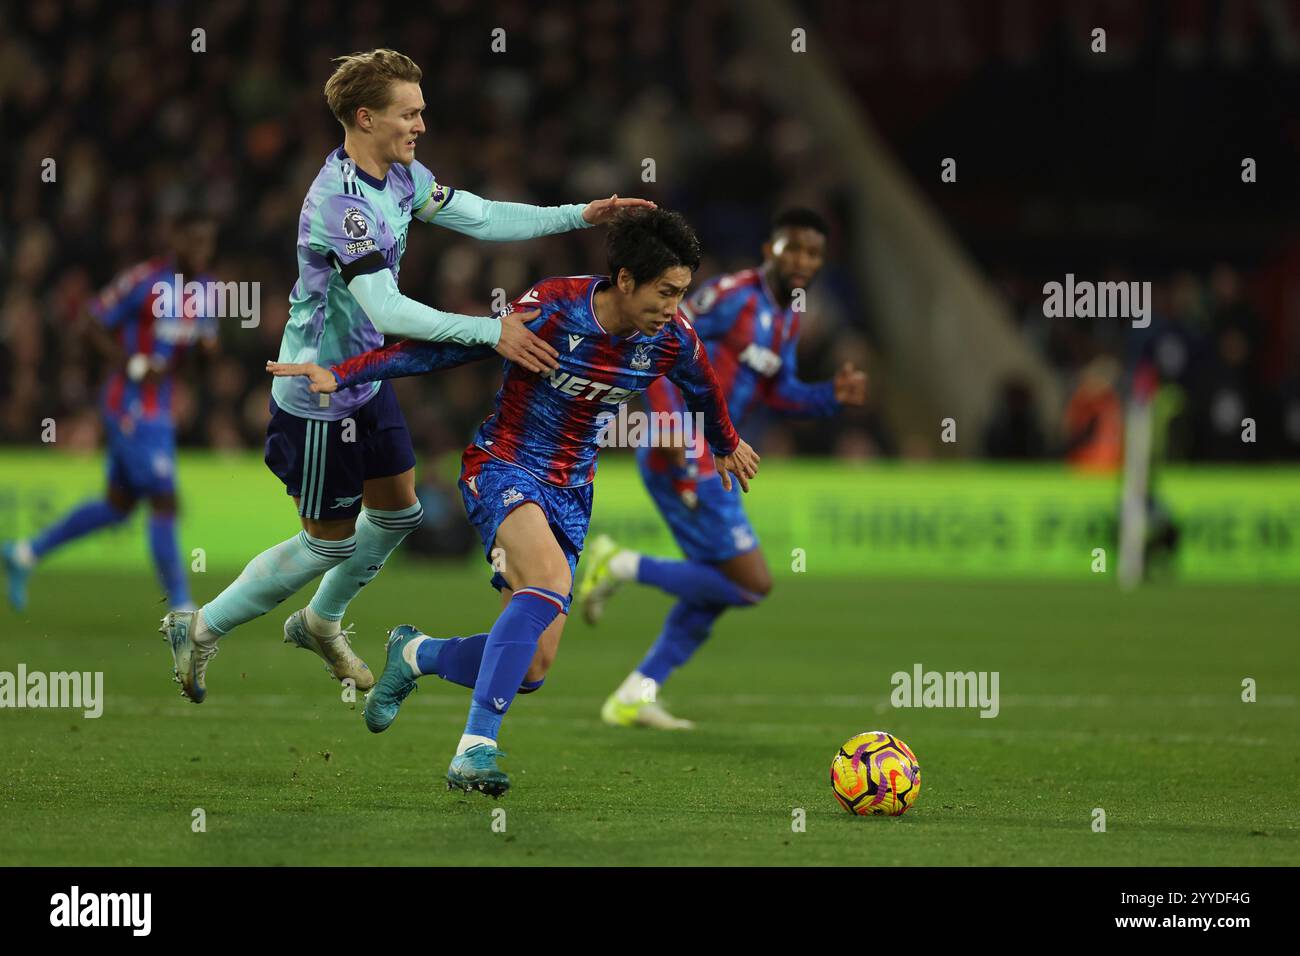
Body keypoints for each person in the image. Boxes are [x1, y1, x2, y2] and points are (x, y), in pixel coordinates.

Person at [160, 49, 652, 703]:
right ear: (366, 118)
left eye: (421, 111)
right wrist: (491, 330)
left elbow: (475, 214)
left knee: (398, 514)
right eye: (409, 113)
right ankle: (200, 626)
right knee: (327, 546)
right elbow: (385, 308)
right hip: (319, 395)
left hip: (366, 382)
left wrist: (576, 215)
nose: (421, 124)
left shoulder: (400, 177)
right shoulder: (341, 204)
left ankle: (319, 622)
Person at [268, 209, 760, 796]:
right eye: (666, 291)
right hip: (503, 467)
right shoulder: (553, 307)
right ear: (626, 279)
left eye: (682, 293)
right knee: (547, 580)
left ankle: (416, 653)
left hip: (571, 492)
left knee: (532, 668)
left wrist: (726, 445)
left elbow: (702, 387)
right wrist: (345, 374)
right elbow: (447, 352)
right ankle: (474, 750)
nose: (674, 306)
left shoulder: (672, 339)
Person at [577, 208, 868, 729]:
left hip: (718, 455)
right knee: (752, 583)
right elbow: (666, 345)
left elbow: (779, 392)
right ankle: (618, 562)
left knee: (714, 589)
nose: (803, 260)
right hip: (684, 449)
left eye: (814, 252)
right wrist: (667, 426)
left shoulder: (786, 316)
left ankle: (635, 694)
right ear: (769, 249)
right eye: (793, 248)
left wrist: (830, 397)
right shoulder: (732, 296)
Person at [4, 211, 220, 614]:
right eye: (192, 241)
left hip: (161, 407)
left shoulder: (208, 290)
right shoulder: (143, 280)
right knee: (164, 499)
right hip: (128, 402)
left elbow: (195, 356)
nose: (199, 250)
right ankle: (182, 607)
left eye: (206, 243)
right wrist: (131, 362)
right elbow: (89, 322)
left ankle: (24, 553)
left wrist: (207, 354)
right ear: (175, 240)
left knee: (118, 507)